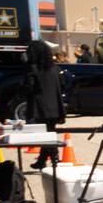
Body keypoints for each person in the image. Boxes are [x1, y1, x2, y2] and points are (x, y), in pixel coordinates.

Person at [23, 41, 66, 172]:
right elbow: (63, 85)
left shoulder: (34, 69)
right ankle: (43, 161)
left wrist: (21, 88)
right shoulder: (55, 68)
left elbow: (28, 88)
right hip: (55, 107)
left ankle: (55, 158)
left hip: (40, 108)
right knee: (49, 133)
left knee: (46, 136)